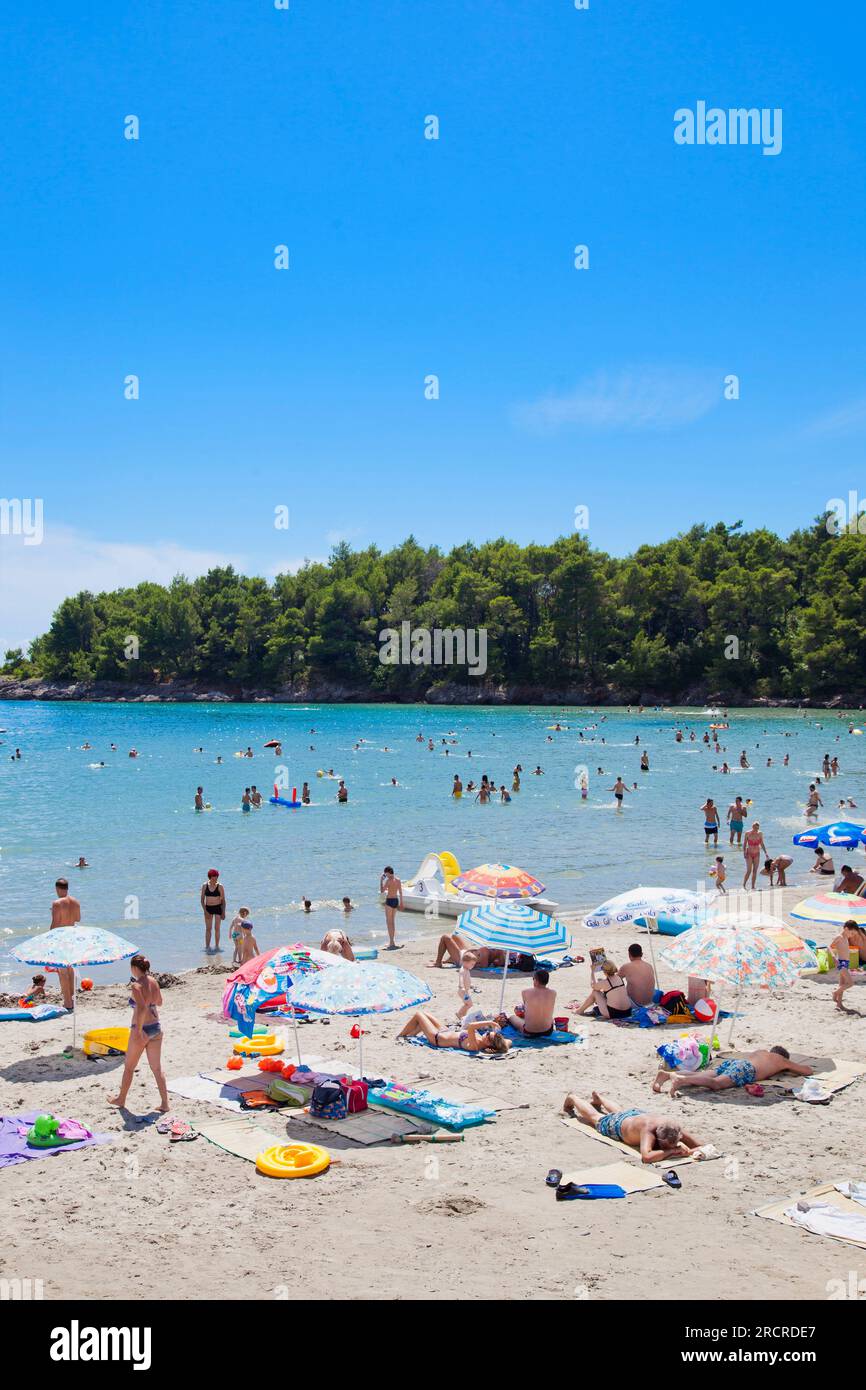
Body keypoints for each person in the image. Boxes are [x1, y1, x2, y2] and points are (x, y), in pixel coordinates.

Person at [562, 1092, 705, 1164]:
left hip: (634, 1117)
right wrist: (673, 1151)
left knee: (621, 1113)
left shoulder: (673, 1128)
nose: (667, 1147)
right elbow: (647, 1157)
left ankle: (600, 1098)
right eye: (664, 1145)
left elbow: (701, 1146)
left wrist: (690, 1151)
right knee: (596, 1119)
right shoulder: (649, 1130)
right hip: (619, 1126)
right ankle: (573, 1098)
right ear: (657, 1136)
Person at [109, 954, 169, 1113]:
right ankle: (165, 1103)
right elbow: (160, 1002)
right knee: (157, 1069)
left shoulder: (136, 986)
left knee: (129, 1067)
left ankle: (121, 1099)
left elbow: (141, 1008)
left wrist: (139, 1030)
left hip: (141, 1029)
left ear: (134, 968)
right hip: (156, 1027)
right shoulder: (154, 981)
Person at [658, 1046, 813, 1096]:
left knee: (701, 1075)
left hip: (737, 1062)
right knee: (716, 1084)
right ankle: (681, 1079)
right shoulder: (780, 1060)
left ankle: (667, 1075)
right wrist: (787, 1065)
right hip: (746, 1069)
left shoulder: (761, 1052)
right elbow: (807, 1071)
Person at [398, 1010, 511, 1054]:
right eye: (487, 1032)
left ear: (488, 1043)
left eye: (487, 1034)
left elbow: (471, 1027)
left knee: (418, 1014)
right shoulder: (485, 1042)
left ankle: (401, 1035)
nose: (485, 1033)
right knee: (425, 1013)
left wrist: (490, 1023)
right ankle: (412, 1034)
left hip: (436, 1038)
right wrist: (501, 1046)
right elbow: (508, 1042)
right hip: (445, 1031)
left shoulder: (474, 1046)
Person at [50, 878, 81, 1009]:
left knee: (62, 971)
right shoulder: (75, 902)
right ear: (67, 888)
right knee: (70, 969)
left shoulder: (57, 903)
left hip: (61, 938)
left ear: (57, 889)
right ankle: (72, 1000)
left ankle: (67, 1002)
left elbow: (55, 924)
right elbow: (78, 919)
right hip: (72, 937)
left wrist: (49, 938)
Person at [507, 968, 556, 1036]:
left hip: (530, 1032)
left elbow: (526, 1007)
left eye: (533, 979)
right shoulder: (553, 993)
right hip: (548, 1031)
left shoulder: (525, 992)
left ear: (536, 980)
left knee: (512, 1018)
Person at [830, 919, 866, 1011]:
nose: (852, 935)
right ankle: (835, 993)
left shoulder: (846, 938)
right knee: (850, 983)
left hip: (846, 963)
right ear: (846, 928)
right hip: (841, 963)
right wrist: (834, 957)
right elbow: (829, 947)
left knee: (842, 984)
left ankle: (839, 1004)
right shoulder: (839, 937)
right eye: (852, 933)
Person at [429, 932, 505, 969]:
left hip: (464, 959)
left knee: (445, 937)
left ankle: (438, 963)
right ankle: (450, 960)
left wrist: (469, 962)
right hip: (467, 954)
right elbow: (500, 963)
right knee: (455, 935)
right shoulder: (497, 951)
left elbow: (483, 965)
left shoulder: (487, 951)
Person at [200, 869, 225, 951]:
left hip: (218, 907)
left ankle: (217, 946)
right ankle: (207, 947)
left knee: (217, 928)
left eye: (216, 877)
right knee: (208, 929)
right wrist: (205, 911)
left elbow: (223, 900)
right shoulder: (205, 885)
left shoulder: (220, 886)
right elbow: (202, 900)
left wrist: (223, 912)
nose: (215, 879)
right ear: (210, 877)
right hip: (208, 908)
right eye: (213, 877)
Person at [380, 866, 403, 949]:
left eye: (385, 873)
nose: (385, 875)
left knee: (389, 922)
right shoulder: (398, 880)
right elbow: (400, 892)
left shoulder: (388, 881)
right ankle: (393, 941)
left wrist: (381, 880)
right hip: (396, 900)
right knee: (392, 922)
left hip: (389, 901)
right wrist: (402, 903)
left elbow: (382, 891)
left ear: (388, 872)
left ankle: (391, 942)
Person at [742, 822, 767, 888]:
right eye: (755, 828)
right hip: (749, 853)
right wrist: (744, 852)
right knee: (749, 870)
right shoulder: (747, 833)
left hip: (757, 854)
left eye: (757, 828)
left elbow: (762, 844)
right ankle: (744, 884)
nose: (756, 829)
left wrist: (766, 853)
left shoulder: (760, 833)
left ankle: (753, 886)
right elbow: (744, 844)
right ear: (752, 827)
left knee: (755, 871)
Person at [456, 950, 479, 1021]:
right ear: (465, 962)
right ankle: (459, 1013)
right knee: (469, 1004)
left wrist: (471, 985)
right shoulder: (463, 970)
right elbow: (461, 979)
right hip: (462, 991)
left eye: (473, 964)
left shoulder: (467, 969)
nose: (473, 966)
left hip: (465, 991)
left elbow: (467, 980)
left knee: (467, 1004)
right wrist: (462, 986)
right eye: (471, 964)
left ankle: (463, 1015)